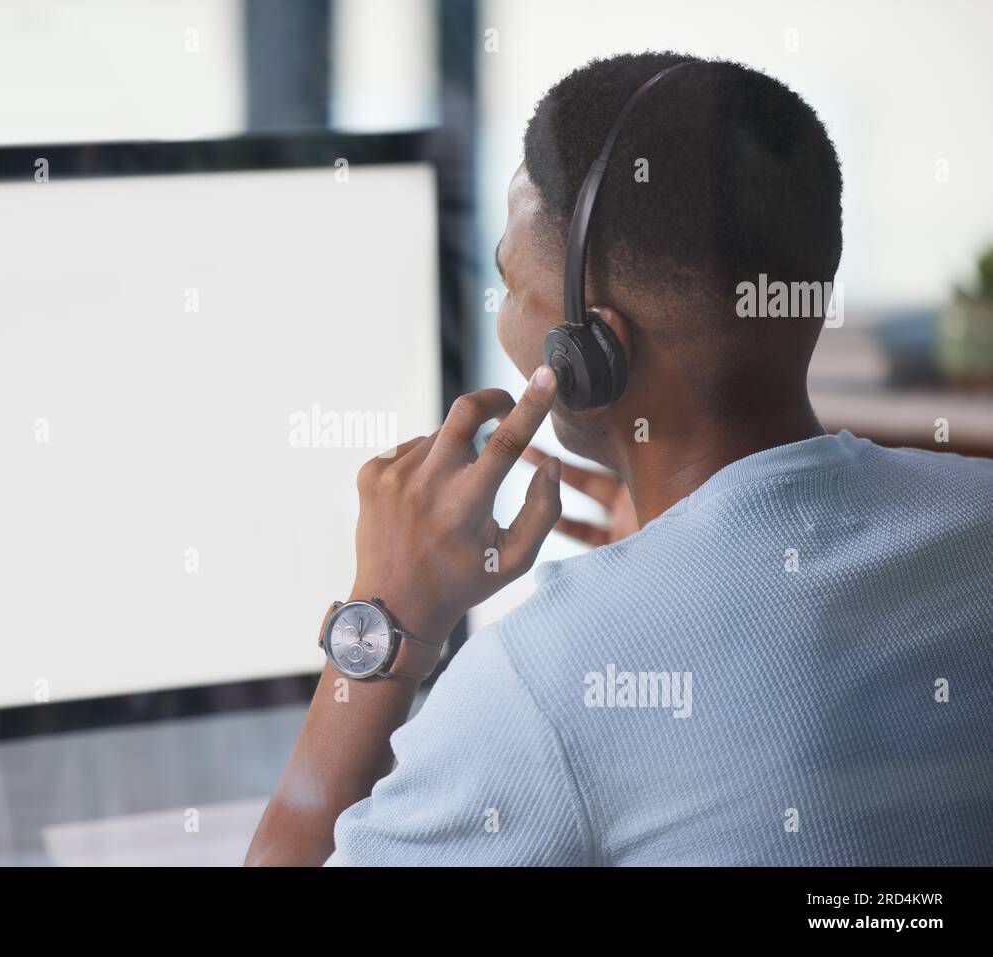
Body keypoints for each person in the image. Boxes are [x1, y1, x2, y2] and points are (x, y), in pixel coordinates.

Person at [245, 52, 993, 866]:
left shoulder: (544, 685)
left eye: (509, 282)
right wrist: (663, 589)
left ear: (590, 346)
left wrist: (381, 628)